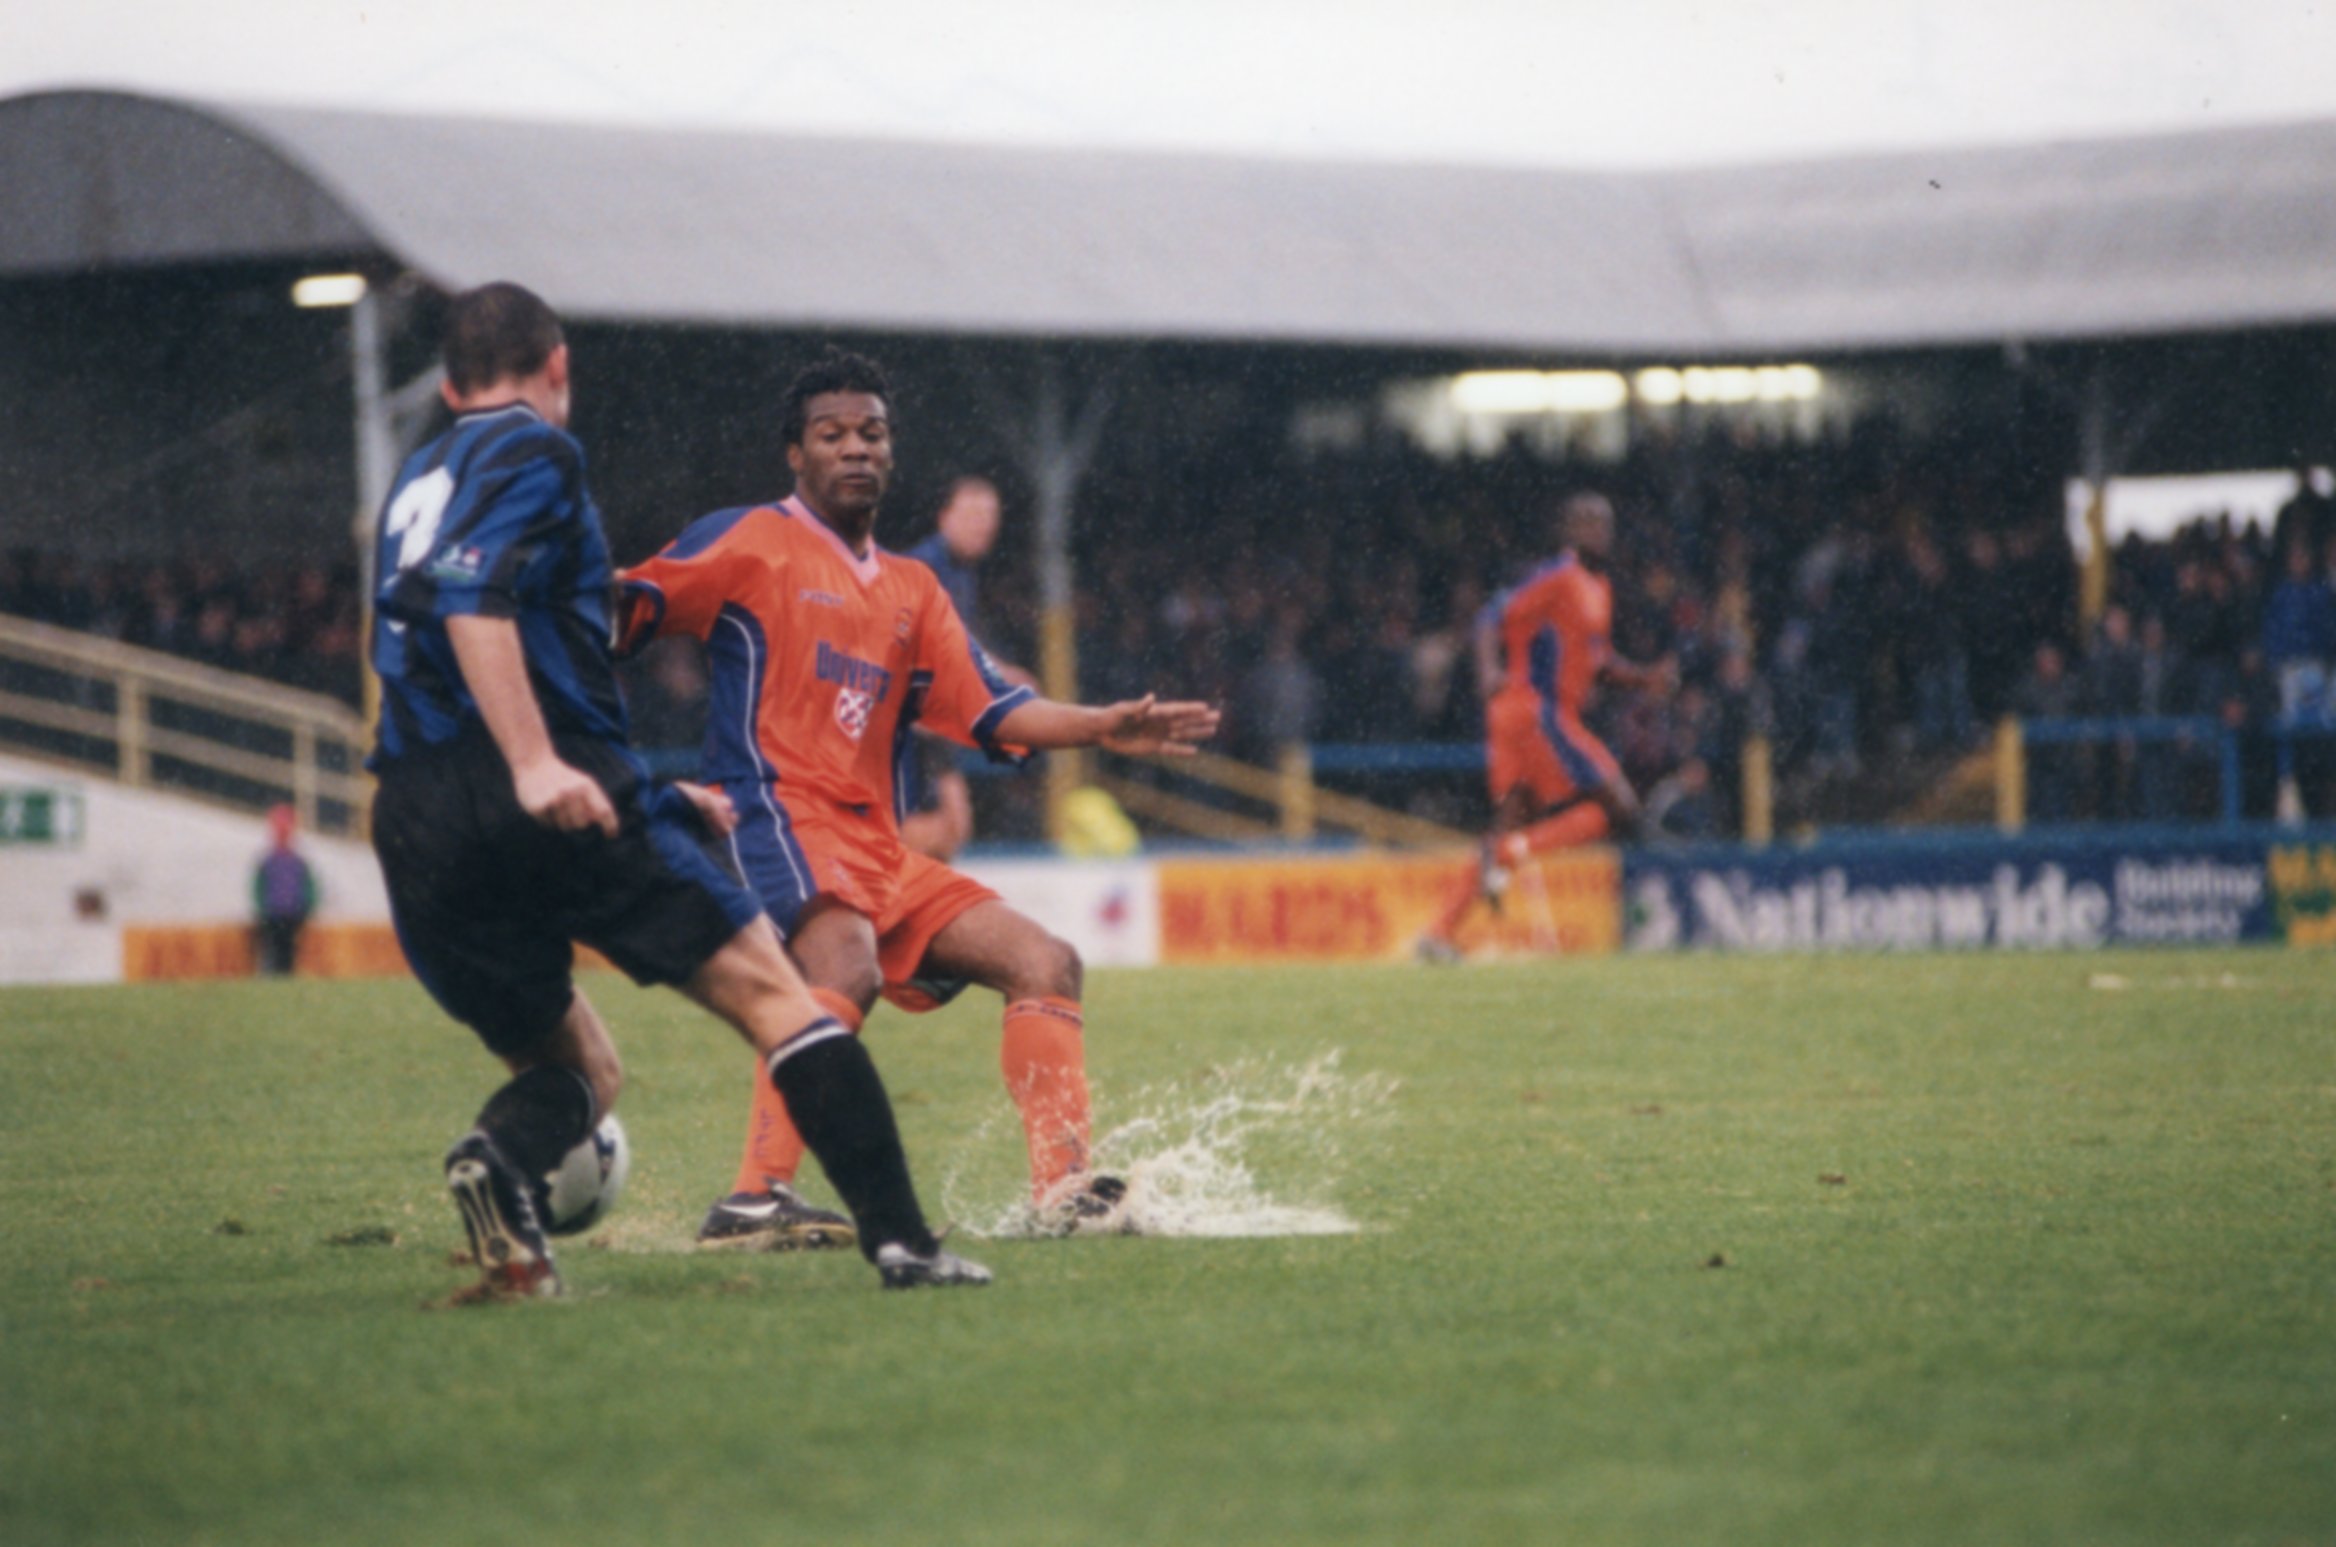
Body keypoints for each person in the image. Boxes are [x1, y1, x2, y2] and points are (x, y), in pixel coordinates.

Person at [369, 284, 984, 1300]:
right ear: (557, 365)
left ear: (444, 383)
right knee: (778, 998)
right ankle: (905, 1242)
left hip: (415, 810)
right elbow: (475, 599)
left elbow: (431, 622)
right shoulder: (535, 448)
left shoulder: (413, 476)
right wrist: (537, 763)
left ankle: (501, 1172)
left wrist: (657, 798)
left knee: (578, 1069)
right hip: (544, 784)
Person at [616, 348, 1218, 1247]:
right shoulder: (748, 541)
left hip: (878, 845)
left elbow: (995, 707)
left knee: (1045, 961)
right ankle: (752, 1196)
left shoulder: (912, 588)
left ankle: (1061, 1196)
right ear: (796, 453)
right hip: (779, 811)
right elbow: (624, 608)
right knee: (842, 963)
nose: (856, 449)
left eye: (872, 433)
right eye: (832, 435)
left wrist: (1102, 725)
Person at [1418, 492, 1672, 960]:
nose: (1599, 531)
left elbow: (1599, 663)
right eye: (1588, 521)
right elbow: (1491, 616)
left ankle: (1437, 933)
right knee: (1618, 806)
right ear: (1568, 529)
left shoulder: (1600, 588)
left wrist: (1645, 677)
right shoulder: (1558, 576)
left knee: (1513, 817)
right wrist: (1488, 671)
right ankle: (1512, 854)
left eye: (1604, 522)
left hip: (1537, 715)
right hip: (1538, 712)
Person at [898, 476, 1026, 861]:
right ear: (944, 517)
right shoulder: (923, 568)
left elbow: (958, 636)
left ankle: (920, 915)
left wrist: (1001, 670)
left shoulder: (961, 572)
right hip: (908, 725)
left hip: (933, 725)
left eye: (990, 515)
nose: (984, 524)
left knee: (954, 830)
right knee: (938, 831)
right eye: (972, 513)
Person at [250, 803, 317, 975]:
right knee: (274, 949)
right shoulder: (267, 862)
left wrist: (307, 906)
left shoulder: (297, 862)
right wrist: (261, 909)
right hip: (273, 915)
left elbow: (309, 887)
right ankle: (274, 975)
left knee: (288, 950)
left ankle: (286, 975)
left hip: (292, 914)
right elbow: (258, 887)